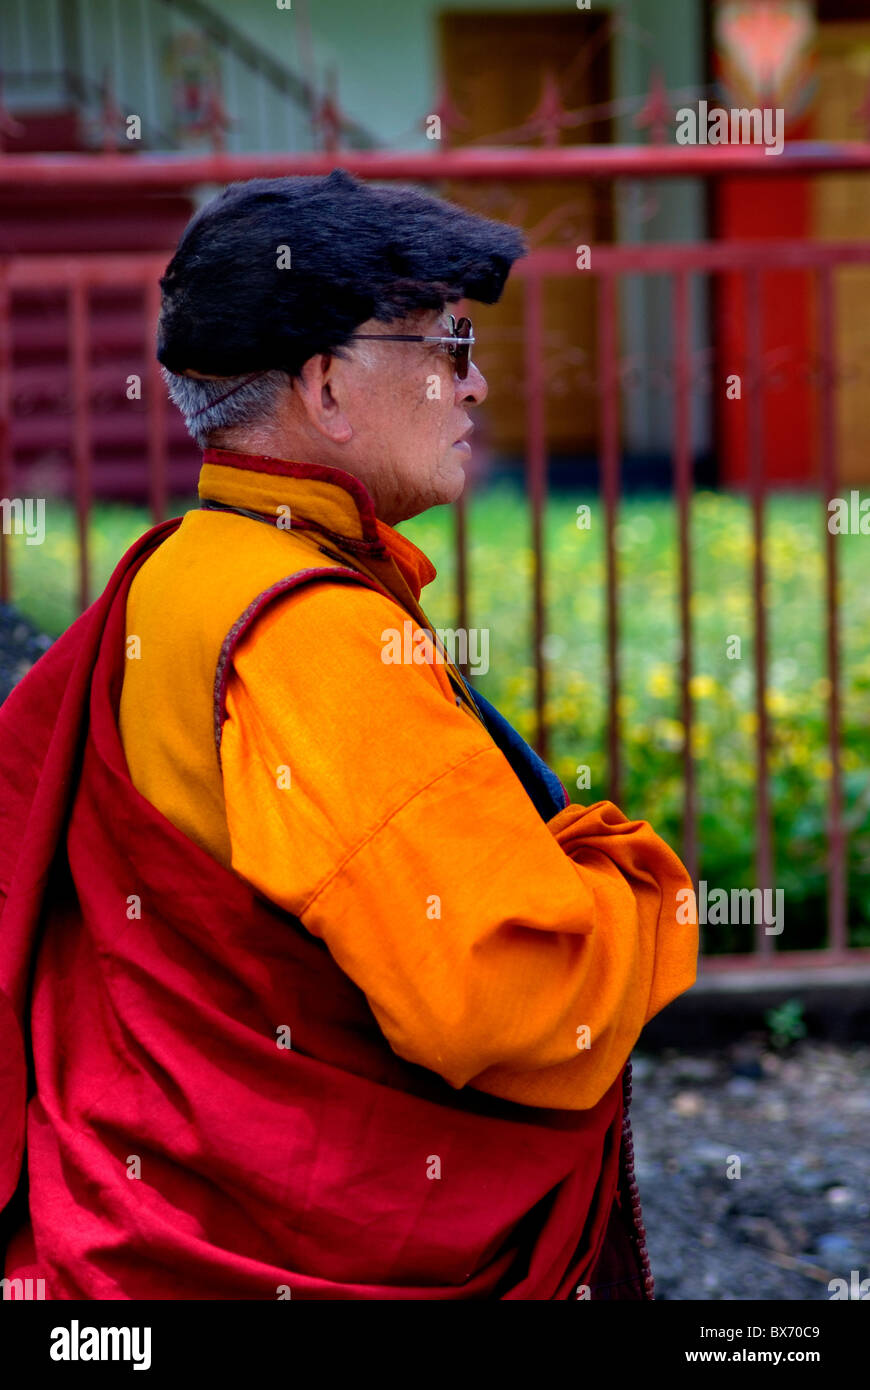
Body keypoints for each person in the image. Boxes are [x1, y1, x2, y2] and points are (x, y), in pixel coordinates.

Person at [0, 169, 697, 1300]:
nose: (477, 386)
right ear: (326, 385)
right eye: (451, 345)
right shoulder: (315, 631)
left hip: (148, 1206)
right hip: (283, 1249)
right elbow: (490, 995)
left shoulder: (179, 569)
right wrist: (640, 892)